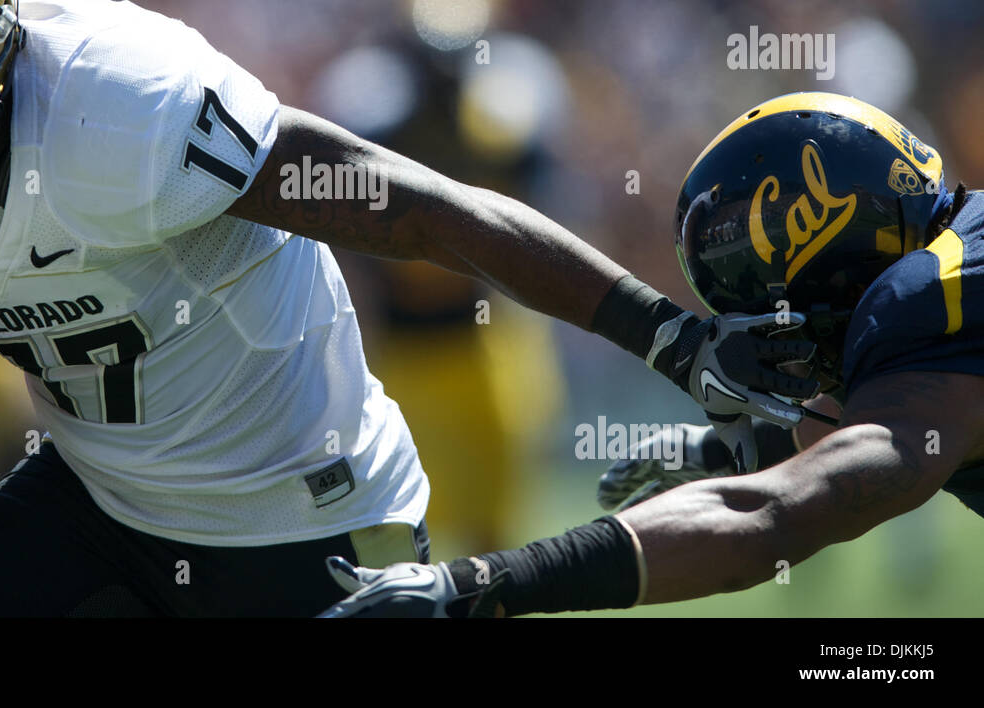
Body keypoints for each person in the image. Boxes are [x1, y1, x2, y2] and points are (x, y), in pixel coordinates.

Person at [0, 0, 810, 617]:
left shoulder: (120, 107)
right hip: (96, 501)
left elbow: (422, 211)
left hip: (305, 516)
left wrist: (667, 335)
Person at [318, 93, 984, 618]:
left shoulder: (926, 299)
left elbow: (787, 508)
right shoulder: (955, 263)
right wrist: (720, 454)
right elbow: (877, 419)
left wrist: (484, 583)